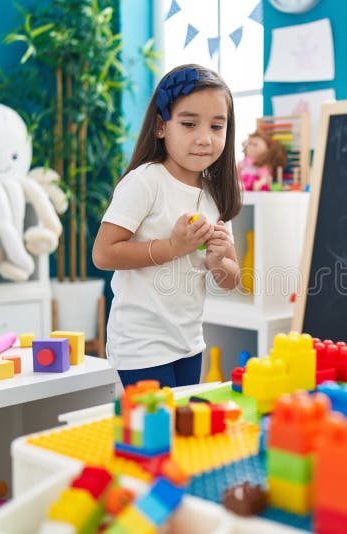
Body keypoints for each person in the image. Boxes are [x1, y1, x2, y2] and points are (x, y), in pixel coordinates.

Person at [92, 64, 242, 389]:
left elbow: (231, 278)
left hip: (189, 342)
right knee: (155, 435)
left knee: (181, 434)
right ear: (161, 127)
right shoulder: (147, 181)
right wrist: (173, 248)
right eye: (189, 124)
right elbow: (103, 254)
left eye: (217, 126)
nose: (204, 138)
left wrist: (218, 262)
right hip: (141, 344)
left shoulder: (215, 193)